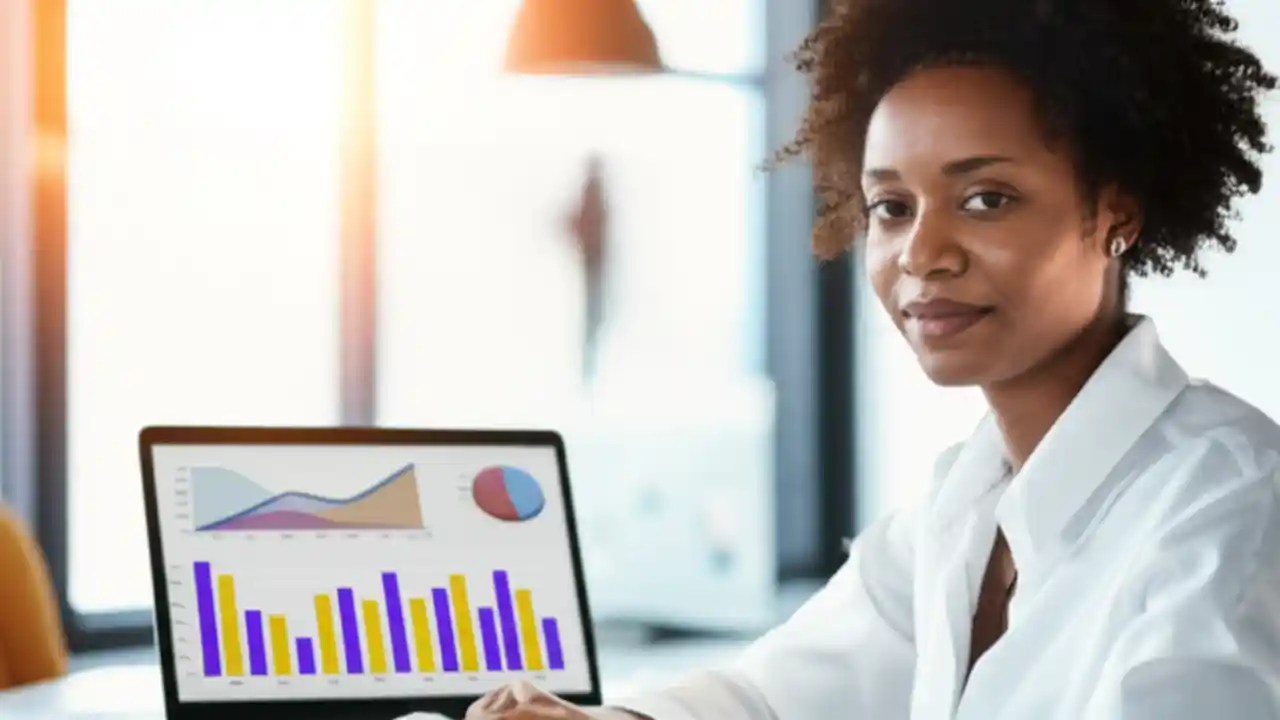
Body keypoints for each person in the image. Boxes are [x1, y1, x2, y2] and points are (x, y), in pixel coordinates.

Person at [465, 0, 1280, 717]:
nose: (922, 253)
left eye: (985, 199)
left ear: (1115, 213)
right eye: (891, 207)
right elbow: (770, 696)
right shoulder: (963, 503)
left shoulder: (1232, 515)